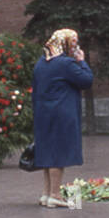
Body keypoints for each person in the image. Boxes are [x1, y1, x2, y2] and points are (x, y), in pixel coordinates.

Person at [31, 28, 93, 208]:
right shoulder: (66, 64)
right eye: (73, 43)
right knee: (59, 154)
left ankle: (46, 193)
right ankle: (55, 195)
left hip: (43, 113)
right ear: (65, 44)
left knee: (48, 153)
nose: (75, 46)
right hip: (62, 114)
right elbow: (86, 81)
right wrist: (82, 62)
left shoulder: (41, 63)